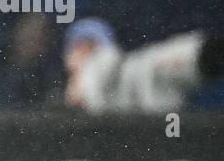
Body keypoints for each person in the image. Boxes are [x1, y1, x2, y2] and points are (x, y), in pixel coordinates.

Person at [64, 18, 223, 113]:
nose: (86, 55)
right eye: (78, 48)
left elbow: (205, 53)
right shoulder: (60, 97)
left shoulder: (144, 66)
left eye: (90, 47)